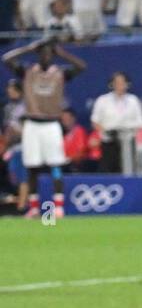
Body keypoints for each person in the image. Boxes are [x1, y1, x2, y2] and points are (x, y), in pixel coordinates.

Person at [2, 37, 85, 218]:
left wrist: (62, 53)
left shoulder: (59, 73)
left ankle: (58, 206)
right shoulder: (28, 72)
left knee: (55, 164)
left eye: (49, 53)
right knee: (32, 166)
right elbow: (6, 58)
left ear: (52, 55)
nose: (46, 56)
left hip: (51, 124)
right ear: (38, 55)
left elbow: (81, 66)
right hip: (32, 123)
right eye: (42, 53)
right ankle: (33, 207)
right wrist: (28, 48)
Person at [90, 71, 142, 173]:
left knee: (127, 169)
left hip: (128, 142)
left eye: (122, 82)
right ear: (112, 84)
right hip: (108, 142)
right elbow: (95, 121)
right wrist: (106, 132)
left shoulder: (133, 100)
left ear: (127, 84)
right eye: (117, 82)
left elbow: (139, 121)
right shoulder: (102, 100)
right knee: (107, 169)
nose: (120, 85)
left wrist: (131, 132)